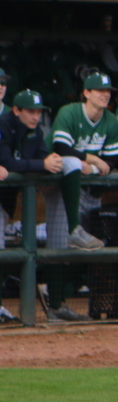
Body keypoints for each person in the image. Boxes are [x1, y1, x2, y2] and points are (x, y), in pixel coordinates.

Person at [48, 72, 118, 254]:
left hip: (87, 187)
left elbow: (114, 159)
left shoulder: (111, 120)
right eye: (99, 90)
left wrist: (94, 168)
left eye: (108, 91)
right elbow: (61, 147)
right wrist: (93, 159)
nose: (105, 95)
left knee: (89, 246)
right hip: (58, 180)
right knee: (58, 242)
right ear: (87, 93)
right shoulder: (70, 111)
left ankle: (78, 283)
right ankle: (52, 281)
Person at [0, 90, 55, 325]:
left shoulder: (35, 131)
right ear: (16, 110)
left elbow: (46, 160)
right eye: (30, 112)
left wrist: (48, 162)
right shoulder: (3, 124)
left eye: (38, 112)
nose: (35, 116)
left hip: (6, 201)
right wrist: (41, 163)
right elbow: (9, 163)